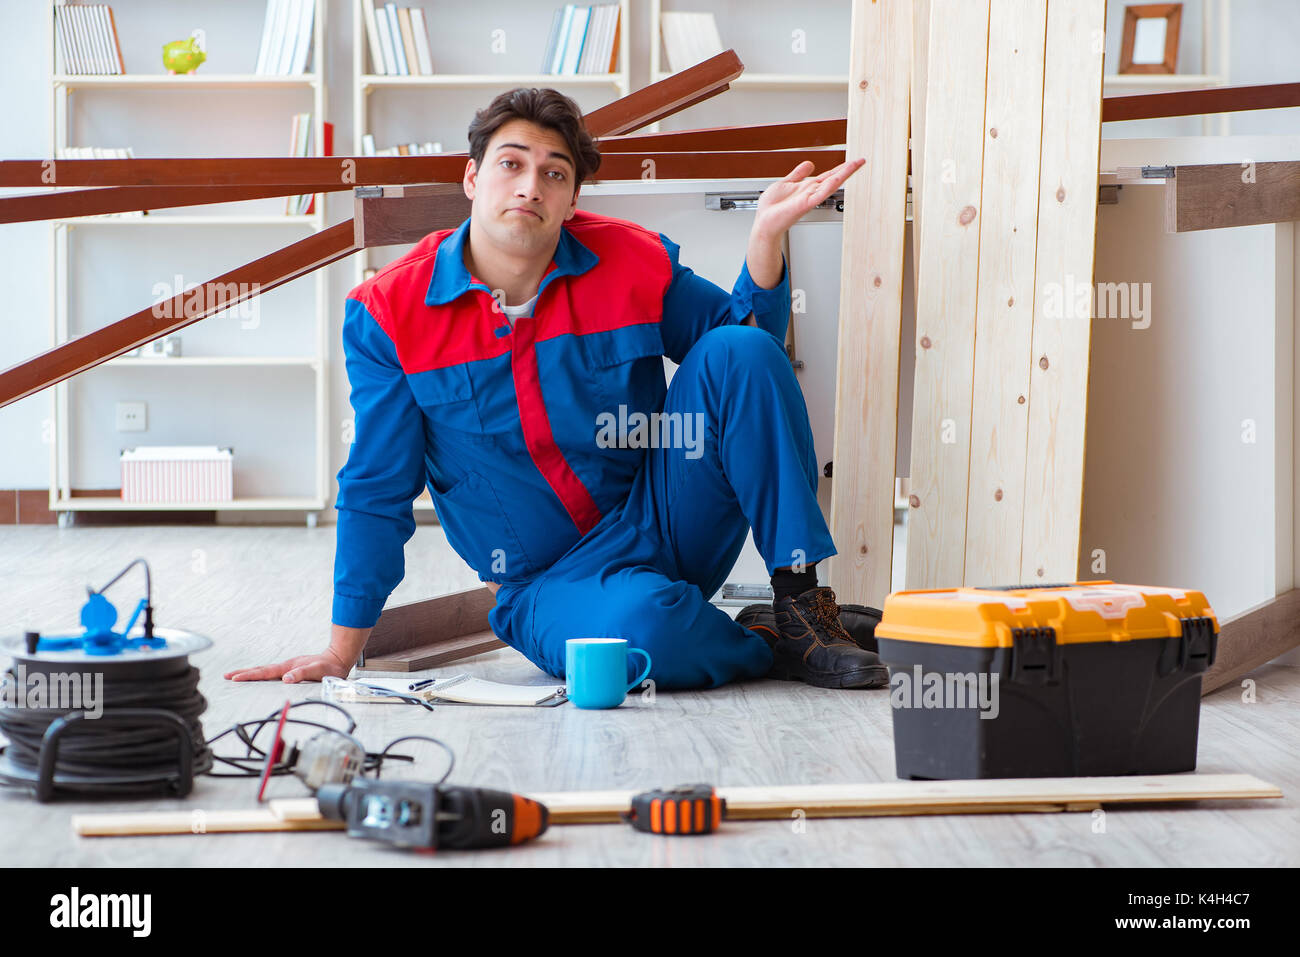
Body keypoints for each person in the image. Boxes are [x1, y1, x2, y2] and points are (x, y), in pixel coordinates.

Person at [226, 87, 885, 691]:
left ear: (572, 200)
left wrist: (765, 239)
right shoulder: (390, 313)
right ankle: (761, 637)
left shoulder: (632, 260)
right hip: (547, 584)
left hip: (667, 517)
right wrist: (341, 653)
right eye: (510, 164)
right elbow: (377, 488)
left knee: (739, 349)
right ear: (472, 176)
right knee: (639, 640)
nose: (530, 186)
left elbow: (748, 362)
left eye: (554, 172)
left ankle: (800, 607)